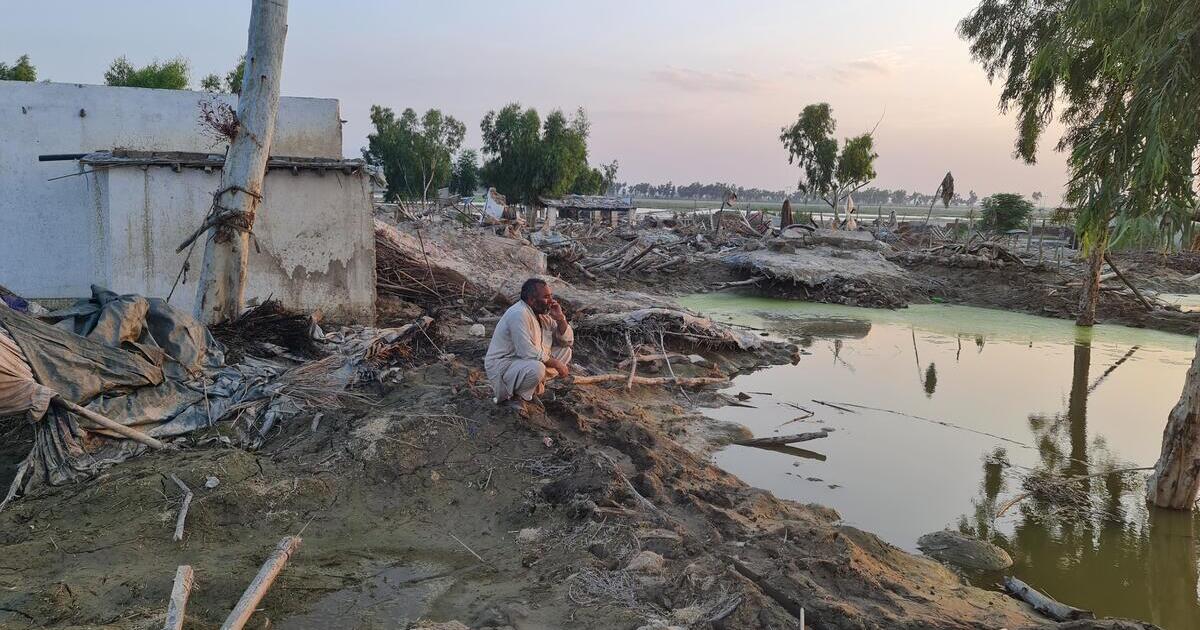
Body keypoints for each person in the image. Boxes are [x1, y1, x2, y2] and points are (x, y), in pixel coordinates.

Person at [485, 278, 574, 415]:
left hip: (522, 363)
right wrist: (555, 363)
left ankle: (530, 390)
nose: (551, 301)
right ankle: (517, 397)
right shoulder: (519, 313)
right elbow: (525, 351)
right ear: (532, 300)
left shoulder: (543, 314)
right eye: (546, 297)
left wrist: (561, 318)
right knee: (537, 367)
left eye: (551, 296)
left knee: (565, 352)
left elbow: (566, 341)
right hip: (504, 366)